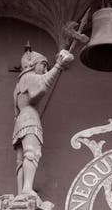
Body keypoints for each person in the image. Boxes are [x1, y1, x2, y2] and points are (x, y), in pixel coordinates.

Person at [12, 44, 74, 196]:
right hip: (30, 118)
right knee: (32, 153)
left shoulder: (19, 84)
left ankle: (21, 192)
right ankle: (27, 188)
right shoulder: (29, 78)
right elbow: (42, 84)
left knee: (21, 160)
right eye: (43, 65)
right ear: (32, 64)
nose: (45, 69)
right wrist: (59, 65)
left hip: (20, 120)